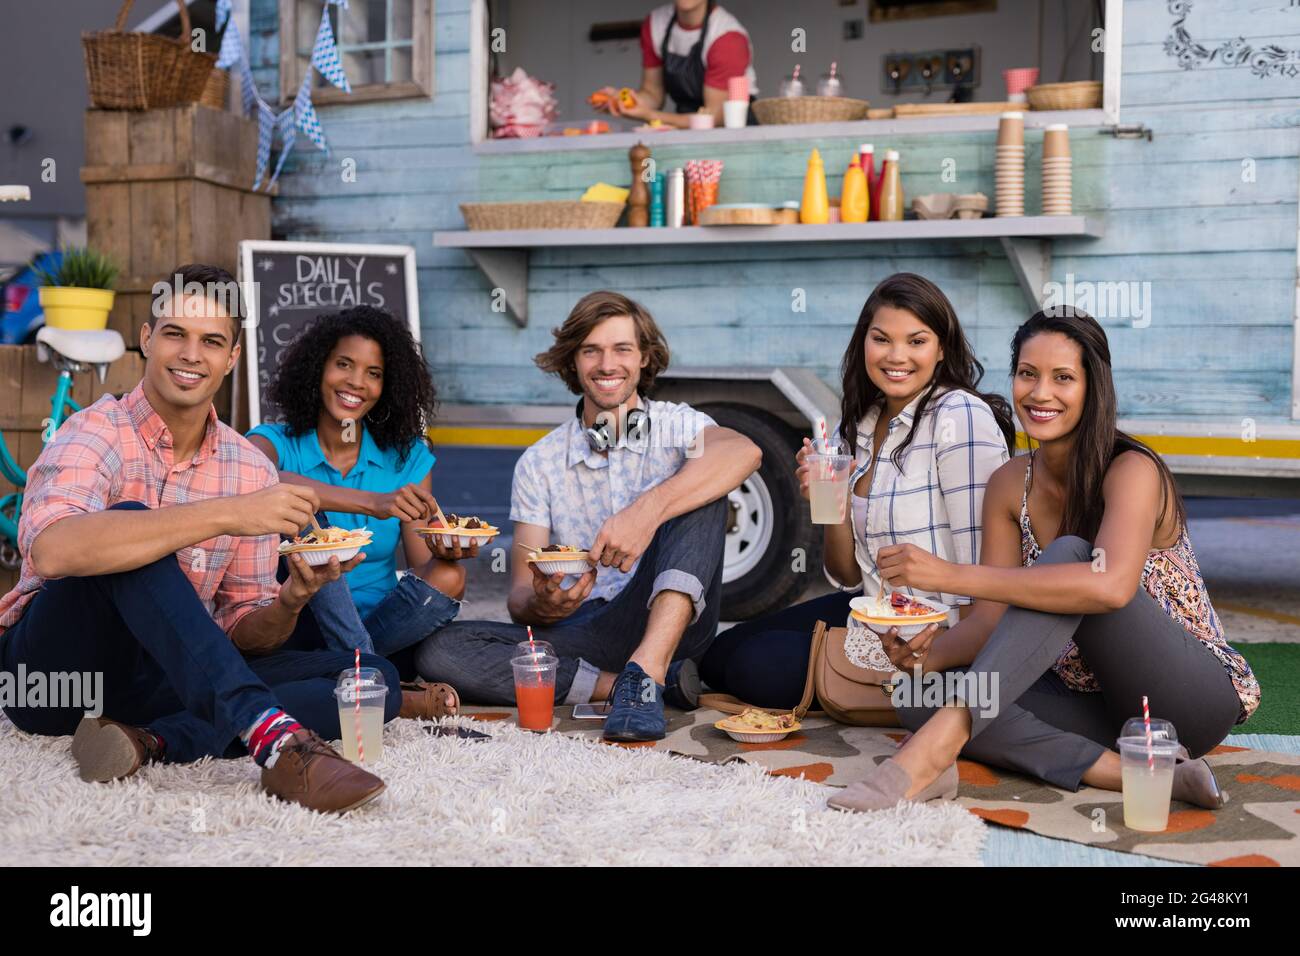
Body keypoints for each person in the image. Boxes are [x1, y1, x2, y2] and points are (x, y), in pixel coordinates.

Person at [829, 307, 1261, 813]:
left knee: (1071, 557)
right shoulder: (1012, 483)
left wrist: (952, 575)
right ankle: (1142, 773)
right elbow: (990, 621)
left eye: (1063, 378)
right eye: (1027, 374)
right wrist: (928, 655)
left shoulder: (1133, 470)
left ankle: (924, 759)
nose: (1040, 393)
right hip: (1094, 705)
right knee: (922, 695)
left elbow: (1110, 588)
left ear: (1092, 388)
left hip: (1183, 699)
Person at [0, 264, 394, 814]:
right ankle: (272, 736)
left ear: (231, 358)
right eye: (175, 334)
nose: (191, 355)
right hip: (56, 679)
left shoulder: (246, 467)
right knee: (131, 526)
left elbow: (243, 632)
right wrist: (227, 514)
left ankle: (150, 740)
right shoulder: (95, 431)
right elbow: (54, 549)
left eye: (211, 341)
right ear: (146, 339)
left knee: (372, 680)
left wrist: (291, 599)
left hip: (162, 677)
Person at [416, 290, 761, 741]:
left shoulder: (678, 426)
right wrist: (544, 604)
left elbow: (745, 450)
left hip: (675, 620)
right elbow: (518, 597)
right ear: (572, 361)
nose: (606, 364)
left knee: (704, 486)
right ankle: (625, 685)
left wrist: (646, 511)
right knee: (441, 651)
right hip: (589, 631)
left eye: (622, 349)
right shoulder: (539, 462)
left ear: (643, 359)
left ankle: (648, 672)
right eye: (591, 350)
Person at [701, 274, 1014, 708]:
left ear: (941, 349)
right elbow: (847, 575)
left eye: (916, 341)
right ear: (863, 342)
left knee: (752, 667)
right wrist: (831, 506)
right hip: (872, 609)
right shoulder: (861, 425)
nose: (896, 356)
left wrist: (945, 652)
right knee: (719, 653)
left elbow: (990, 577)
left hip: (935, 631)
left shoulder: (958, 416)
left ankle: (917, 697)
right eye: (882, 339)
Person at [247, 306, 463, 718]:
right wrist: (371, 502)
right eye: (343, 364)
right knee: (309, 522)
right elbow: (254, 478)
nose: (356, 383)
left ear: (388, 385)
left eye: (374, 373)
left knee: (450, 577)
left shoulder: (407, 459)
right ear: (318, 368)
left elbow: (422, 569)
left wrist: (446, 549)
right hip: (300, 616)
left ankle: (353, 669)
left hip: (385, 625)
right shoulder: (274, 440)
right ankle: (375, 678)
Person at [594, 0, 757, 129]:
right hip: (683, 127)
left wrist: (649, 115)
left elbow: (714, 118)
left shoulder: (727, 38)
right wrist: (625, 101)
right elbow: (653, 94)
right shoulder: (655, 24)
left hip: (731, 134)